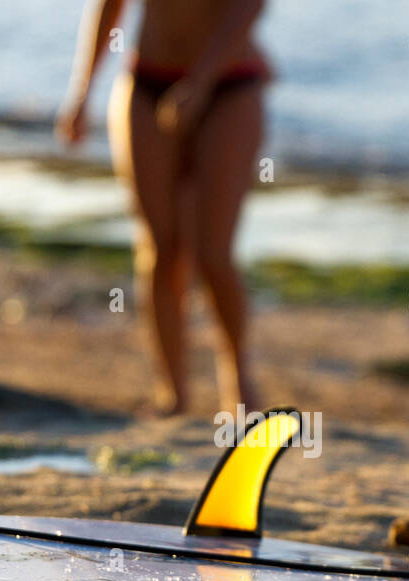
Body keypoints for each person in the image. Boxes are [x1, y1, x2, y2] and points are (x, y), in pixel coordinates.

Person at [57, 0, 270, 415]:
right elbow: (109, 6)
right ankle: (172, 390)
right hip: (146, 81)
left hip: (229, 84)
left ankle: (237, 370)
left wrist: (201, 83)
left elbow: (247, 8)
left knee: (213, 253)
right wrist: (82, 92)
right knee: (160, 246)